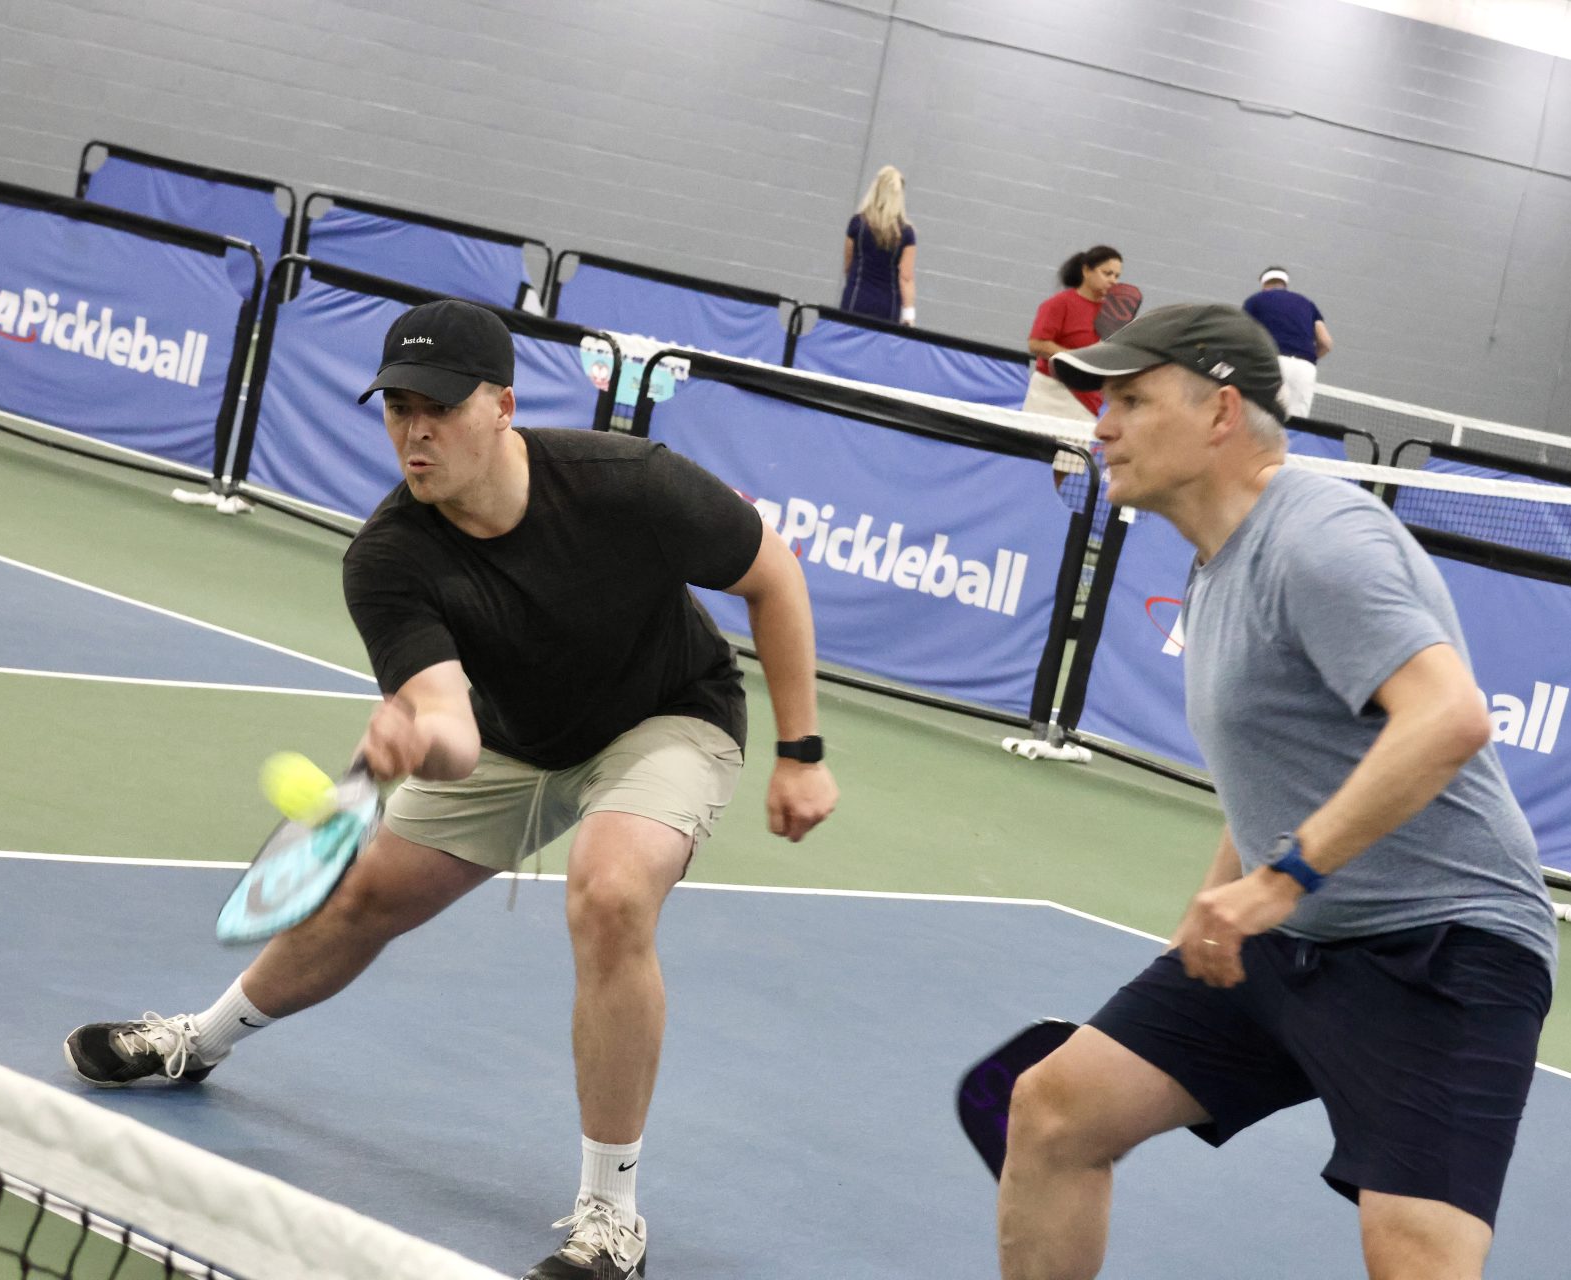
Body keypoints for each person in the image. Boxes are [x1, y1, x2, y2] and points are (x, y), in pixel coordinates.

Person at [62, 299, 840, 1280]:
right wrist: (414, 742)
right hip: (510, 737)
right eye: (396, 406)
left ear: (503, 404)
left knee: (608, 890)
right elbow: (454, 732)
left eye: (436, 405)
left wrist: (802, 749)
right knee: (363, 897)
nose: (413, 430)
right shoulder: (389, 556)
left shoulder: (626, 484)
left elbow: (776, 577)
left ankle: (611, 1218)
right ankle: (199, 1040)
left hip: (664, 713)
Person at [999, 304, 1557, 1280]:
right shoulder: (1217, 564)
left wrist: (1279, 879)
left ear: (1221, 413)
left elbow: (1449, 717)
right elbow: (1279, 761)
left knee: (1414, 1251)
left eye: (1131, 399)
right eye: (1103, 401)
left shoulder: (1321, 538)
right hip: (1290, 936)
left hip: (1443, 949)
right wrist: (1207, 916)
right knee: (1056, 1110)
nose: (1101, 423)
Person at [1024, 245, 1124, 422]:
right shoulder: (1058, 304)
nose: (1113, 281)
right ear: (1086, 270)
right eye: (1107, 273)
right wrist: (1077, 358)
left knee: (1076, 450)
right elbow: (1037, 343)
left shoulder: (1112, 313)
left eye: (1116, 276)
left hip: (1088, 398)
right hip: (1050, 391)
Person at [1240, 266, 1331, 418]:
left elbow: (1244, 335)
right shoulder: (1307, 304)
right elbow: (1326, 342)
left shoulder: (1255, 300)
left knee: (1261, 418)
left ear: (1264, 284)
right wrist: (1309, 358)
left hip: (1272, 363)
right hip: (1304, 369)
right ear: (1285, 284)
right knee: (1297, 423)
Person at [840, 164, 917, 326]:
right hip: (887, 306)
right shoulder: (906, 233)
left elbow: (848, 266)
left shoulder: (857, 224)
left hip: (856, 299)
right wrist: (909, 314)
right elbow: (906, 277)